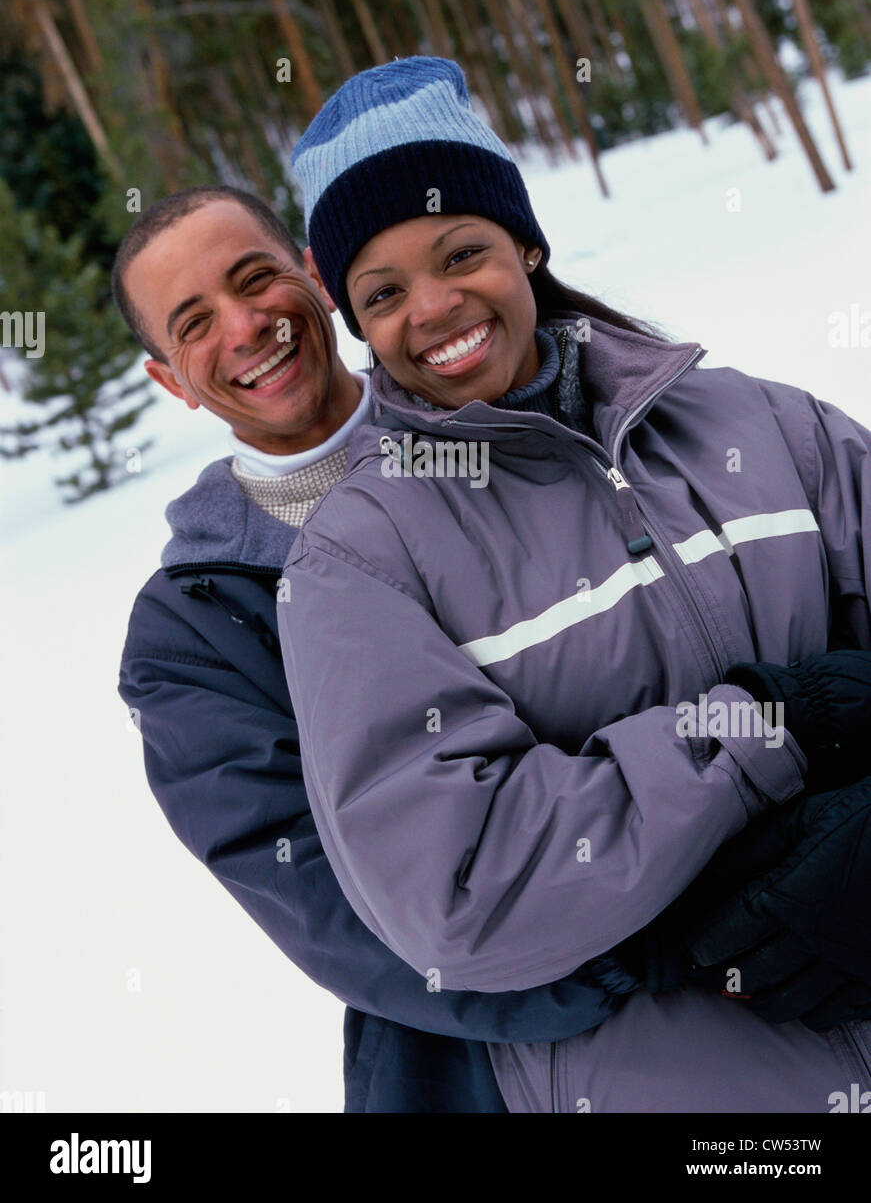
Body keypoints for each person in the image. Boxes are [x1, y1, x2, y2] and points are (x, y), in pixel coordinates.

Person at [279, 55, 871, 1112]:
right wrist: (764, 729)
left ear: (525, 242)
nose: (433, 306)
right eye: (382, 292)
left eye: (460, 251)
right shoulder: (360, 560)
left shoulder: (756, 425)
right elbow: (459, 893)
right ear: (357, 326)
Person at [113, 184, 667, 1113]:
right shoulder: (192, 634)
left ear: (316, 279)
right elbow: (328, 902)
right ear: (170, 378)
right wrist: (639, 958)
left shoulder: (517, 419)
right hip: (491, 1059)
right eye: (194, 324)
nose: (246, 327)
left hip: (771, 973)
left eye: (257, 279)